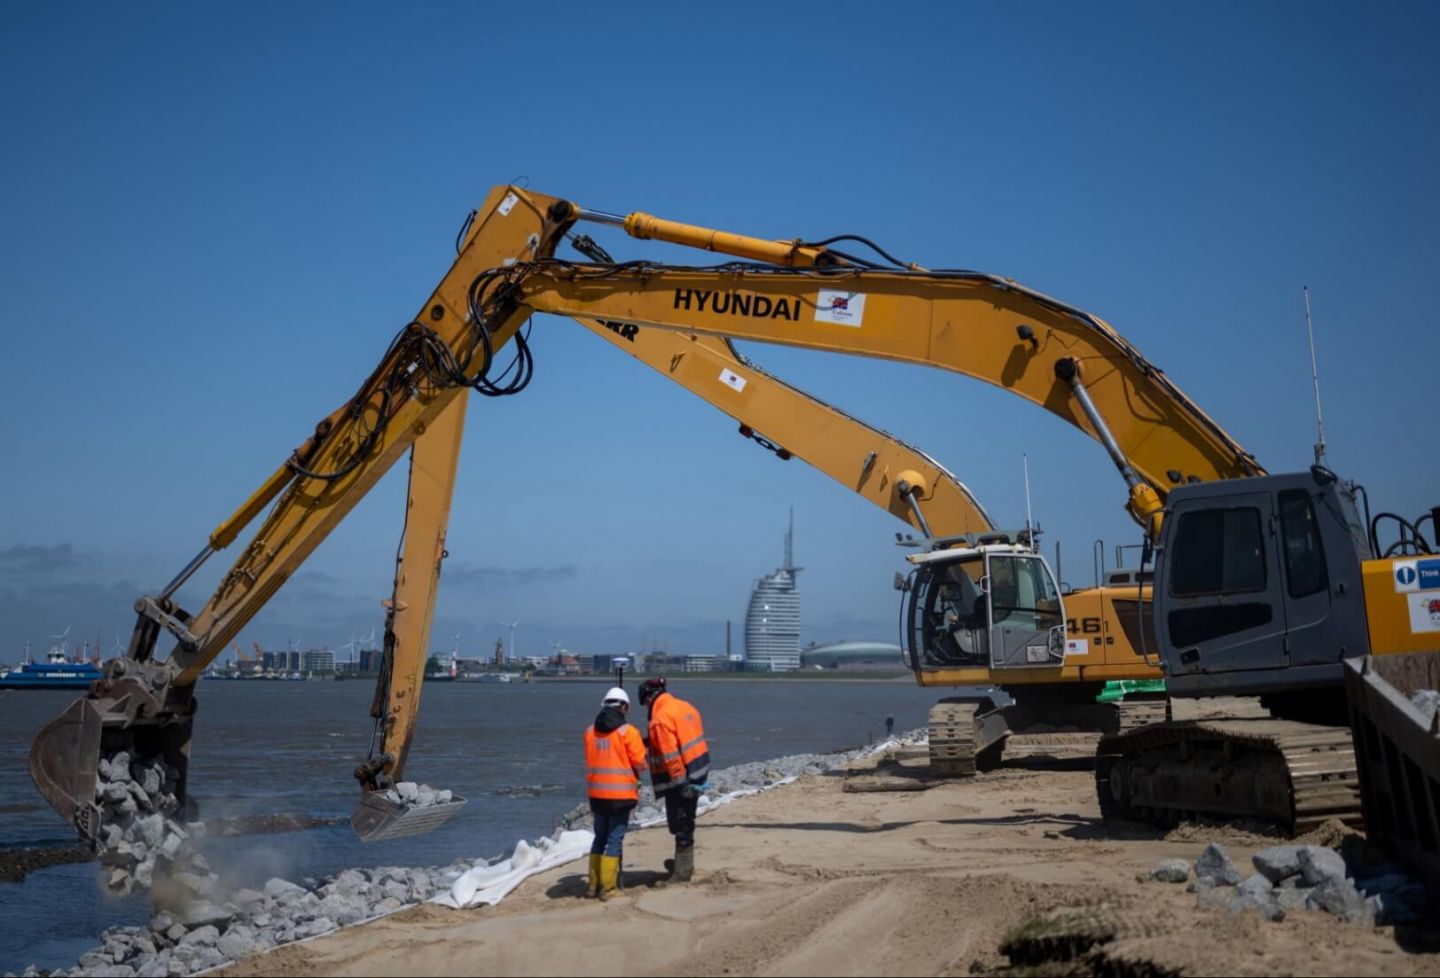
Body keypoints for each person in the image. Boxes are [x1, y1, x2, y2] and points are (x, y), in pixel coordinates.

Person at [638, 677, 709, 883]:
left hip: (682, 777)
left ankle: (682, 873)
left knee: (680, 823)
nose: (645, 708)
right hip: (699, 769)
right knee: (687, 820)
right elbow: (680, 738)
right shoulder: (684, 706)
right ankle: (683, 864)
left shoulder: (659, 718)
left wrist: (680, 785)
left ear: (649, 699)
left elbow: (671, 757)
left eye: (644, 704)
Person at [583, 686, 647, 900]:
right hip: (621, 796)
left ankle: (593, 884)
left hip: (597, 796)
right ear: (624, 707)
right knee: (615, 838)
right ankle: (608, 888)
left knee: (599, 837)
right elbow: (640, 762)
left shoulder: (589, 731)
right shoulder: (628, 732)